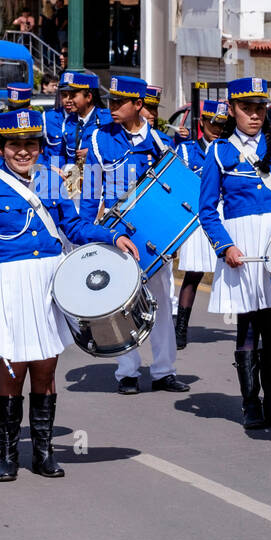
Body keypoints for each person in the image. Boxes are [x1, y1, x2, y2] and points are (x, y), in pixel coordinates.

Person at [0, 109, 138, 481]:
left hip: (46, 284)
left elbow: (73, 226)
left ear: (40, 147)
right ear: (1, 147)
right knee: (11, 371)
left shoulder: (49, 182)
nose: (23, 152)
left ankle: (43, 454)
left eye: (31, 144)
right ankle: (7, 455)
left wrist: (112, 236)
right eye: (15, 145)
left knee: (45, 370)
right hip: (7, 287)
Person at [199, 77, 271, 429]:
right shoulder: (218, 151)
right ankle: (249, 404)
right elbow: (207, 210)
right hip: (240, 245)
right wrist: (225, 246)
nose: (254, 116)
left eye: (260, 109)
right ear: (231, 110)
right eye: (246, 109)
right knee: (247, 328)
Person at [81, 75, 188, 394]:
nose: (111, 107)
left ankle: (163, 370)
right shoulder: (99, 140)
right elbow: (91, 192)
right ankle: (127, 371)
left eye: (119, 102)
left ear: (138, 105)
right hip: (117, 234)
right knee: (119, 303)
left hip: (153, 236)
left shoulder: (159, 142)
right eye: (110, 101)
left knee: (161, 303)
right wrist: (90, 230)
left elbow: (174, 192)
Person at [173, 100, 229, 349]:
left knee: (234, 269)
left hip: (224, 213)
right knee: (194, 273)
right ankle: (181, 328)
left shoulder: (228, 150)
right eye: (212, 123)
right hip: (197, 216)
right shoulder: (186, 150)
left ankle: (246, 327)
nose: (216, 129)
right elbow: (176, 184)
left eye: (221, 124)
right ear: (202, 123)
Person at [59, 71, 110, 172]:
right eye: (66, 95)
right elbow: (62, 155)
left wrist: (92, 153)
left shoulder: (107, 120)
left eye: (73, 95)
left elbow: (120, 152)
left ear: (88, 97)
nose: (69, 100)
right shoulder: (68, 122)